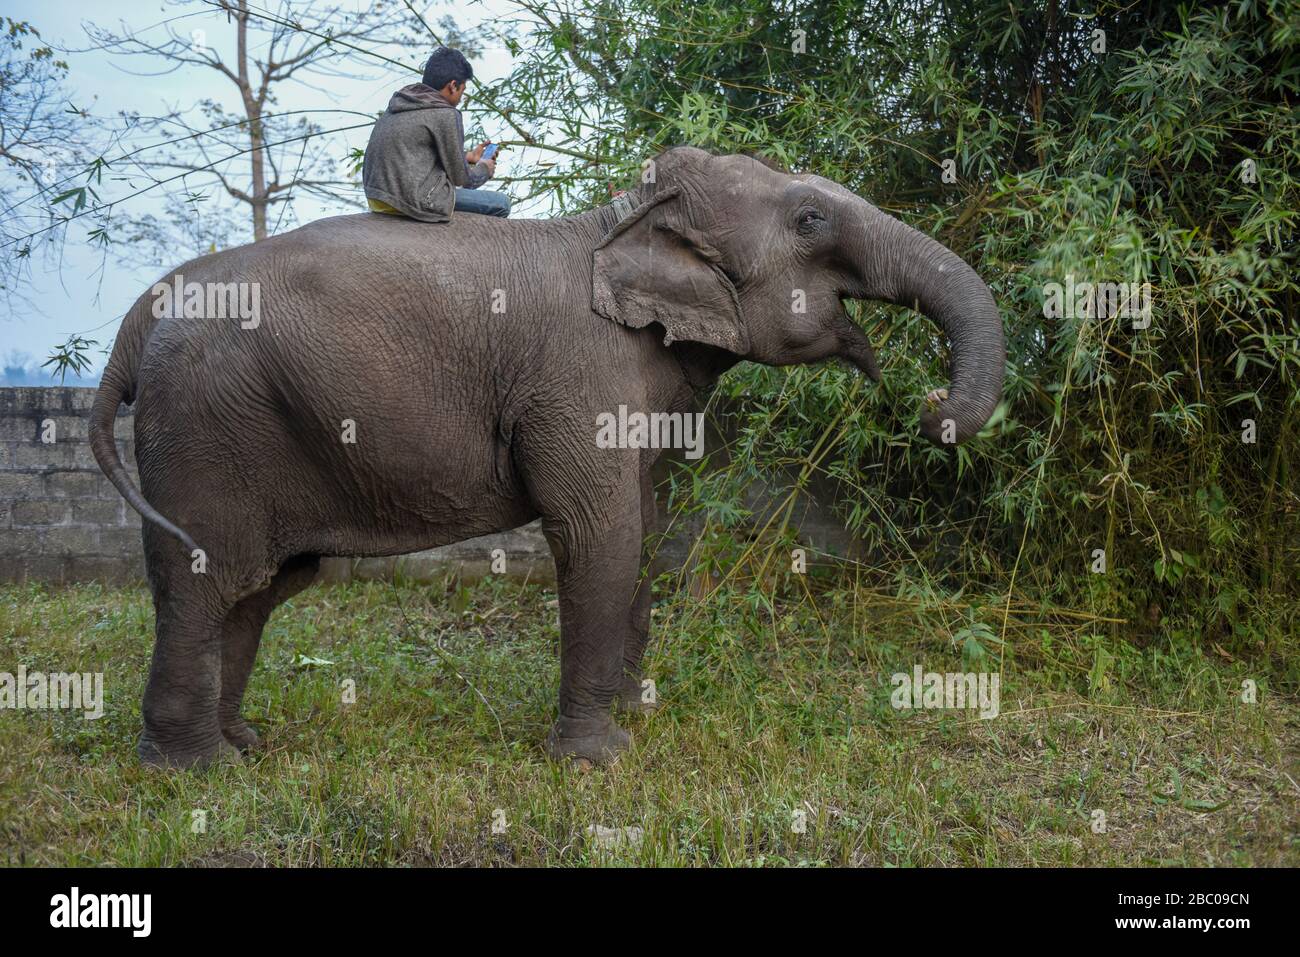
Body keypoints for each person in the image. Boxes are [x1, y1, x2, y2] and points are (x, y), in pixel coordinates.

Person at [363, 47, 510, 221]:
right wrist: (485, 168)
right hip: (411, 199)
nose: (461, 99)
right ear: (453, 85)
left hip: (377, 196)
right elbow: (462, 179)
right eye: (462, 91)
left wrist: (468, 157)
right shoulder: (446, 114)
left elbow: (415, 152)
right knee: (502, 204)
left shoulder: (401, 103)